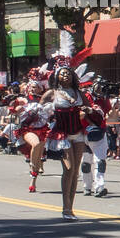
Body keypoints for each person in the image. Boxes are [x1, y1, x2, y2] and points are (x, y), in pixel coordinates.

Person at [42, 65, 91, 220]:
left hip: (78, 134)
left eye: (68, 73)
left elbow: (90, 108)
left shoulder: (79, 93)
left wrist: (86, 111)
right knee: (68, 169)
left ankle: (70, 208)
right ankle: (65, 207)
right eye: (63, 74)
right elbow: (39, 110)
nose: (66, 76)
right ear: (57, 77)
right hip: (61, 134)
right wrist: (49, 113)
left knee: (76, 171)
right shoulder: (52, 93)